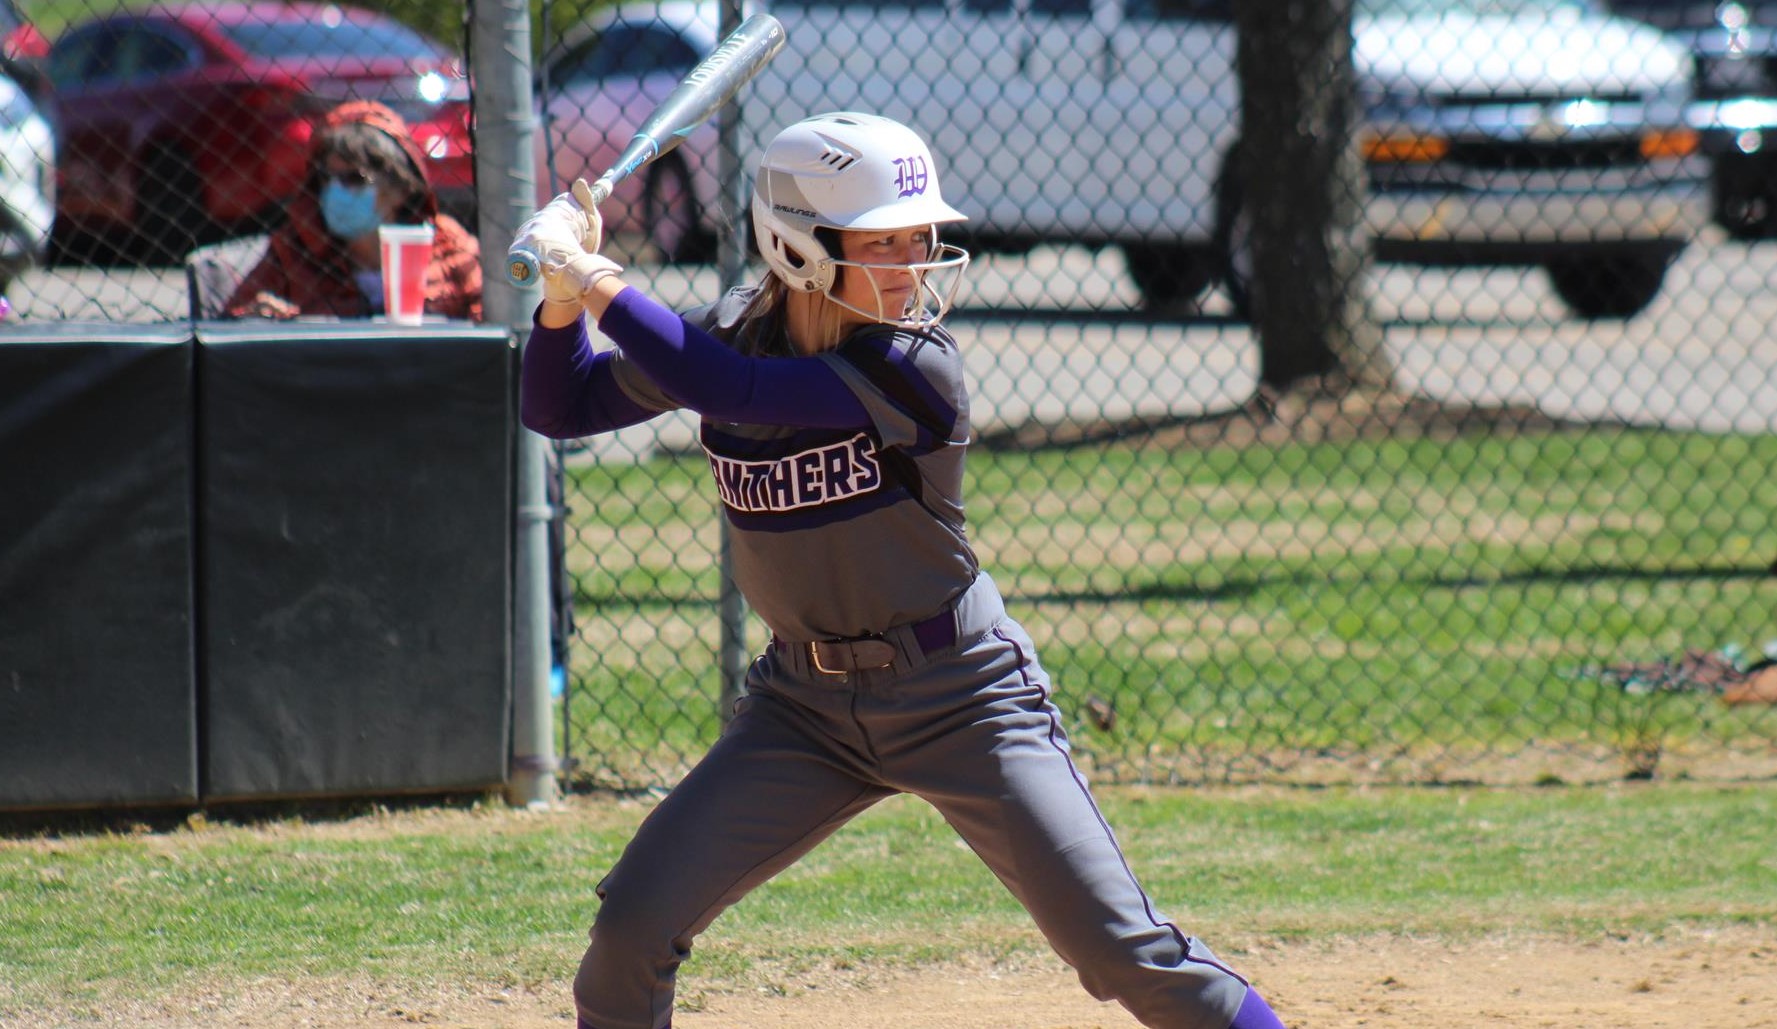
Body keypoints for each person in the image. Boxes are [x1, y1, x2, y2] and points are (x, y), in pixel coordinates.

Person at [514, 111, 1289, 1029]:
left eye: (919, 241)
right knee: (631, 927)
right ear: (797, 246)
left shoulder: (916, 365)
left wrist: (595, 277)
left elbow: (734, 394)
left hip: (961, 693)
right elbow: (558, 405)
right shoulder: (734, 330)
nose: (913, 266)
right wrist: (561, 300)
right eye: (885, 244)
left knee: (1123, 953)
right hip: (800, 708)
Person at [224, 100, 482, 321]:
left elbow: (488, 317)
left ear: (400, 189)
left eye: (353, 179)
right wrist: (262, 320)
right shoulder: (293, 252)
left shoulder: (446, 244)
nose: (334, 191)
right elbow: (234, 320)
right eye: (325, 178)